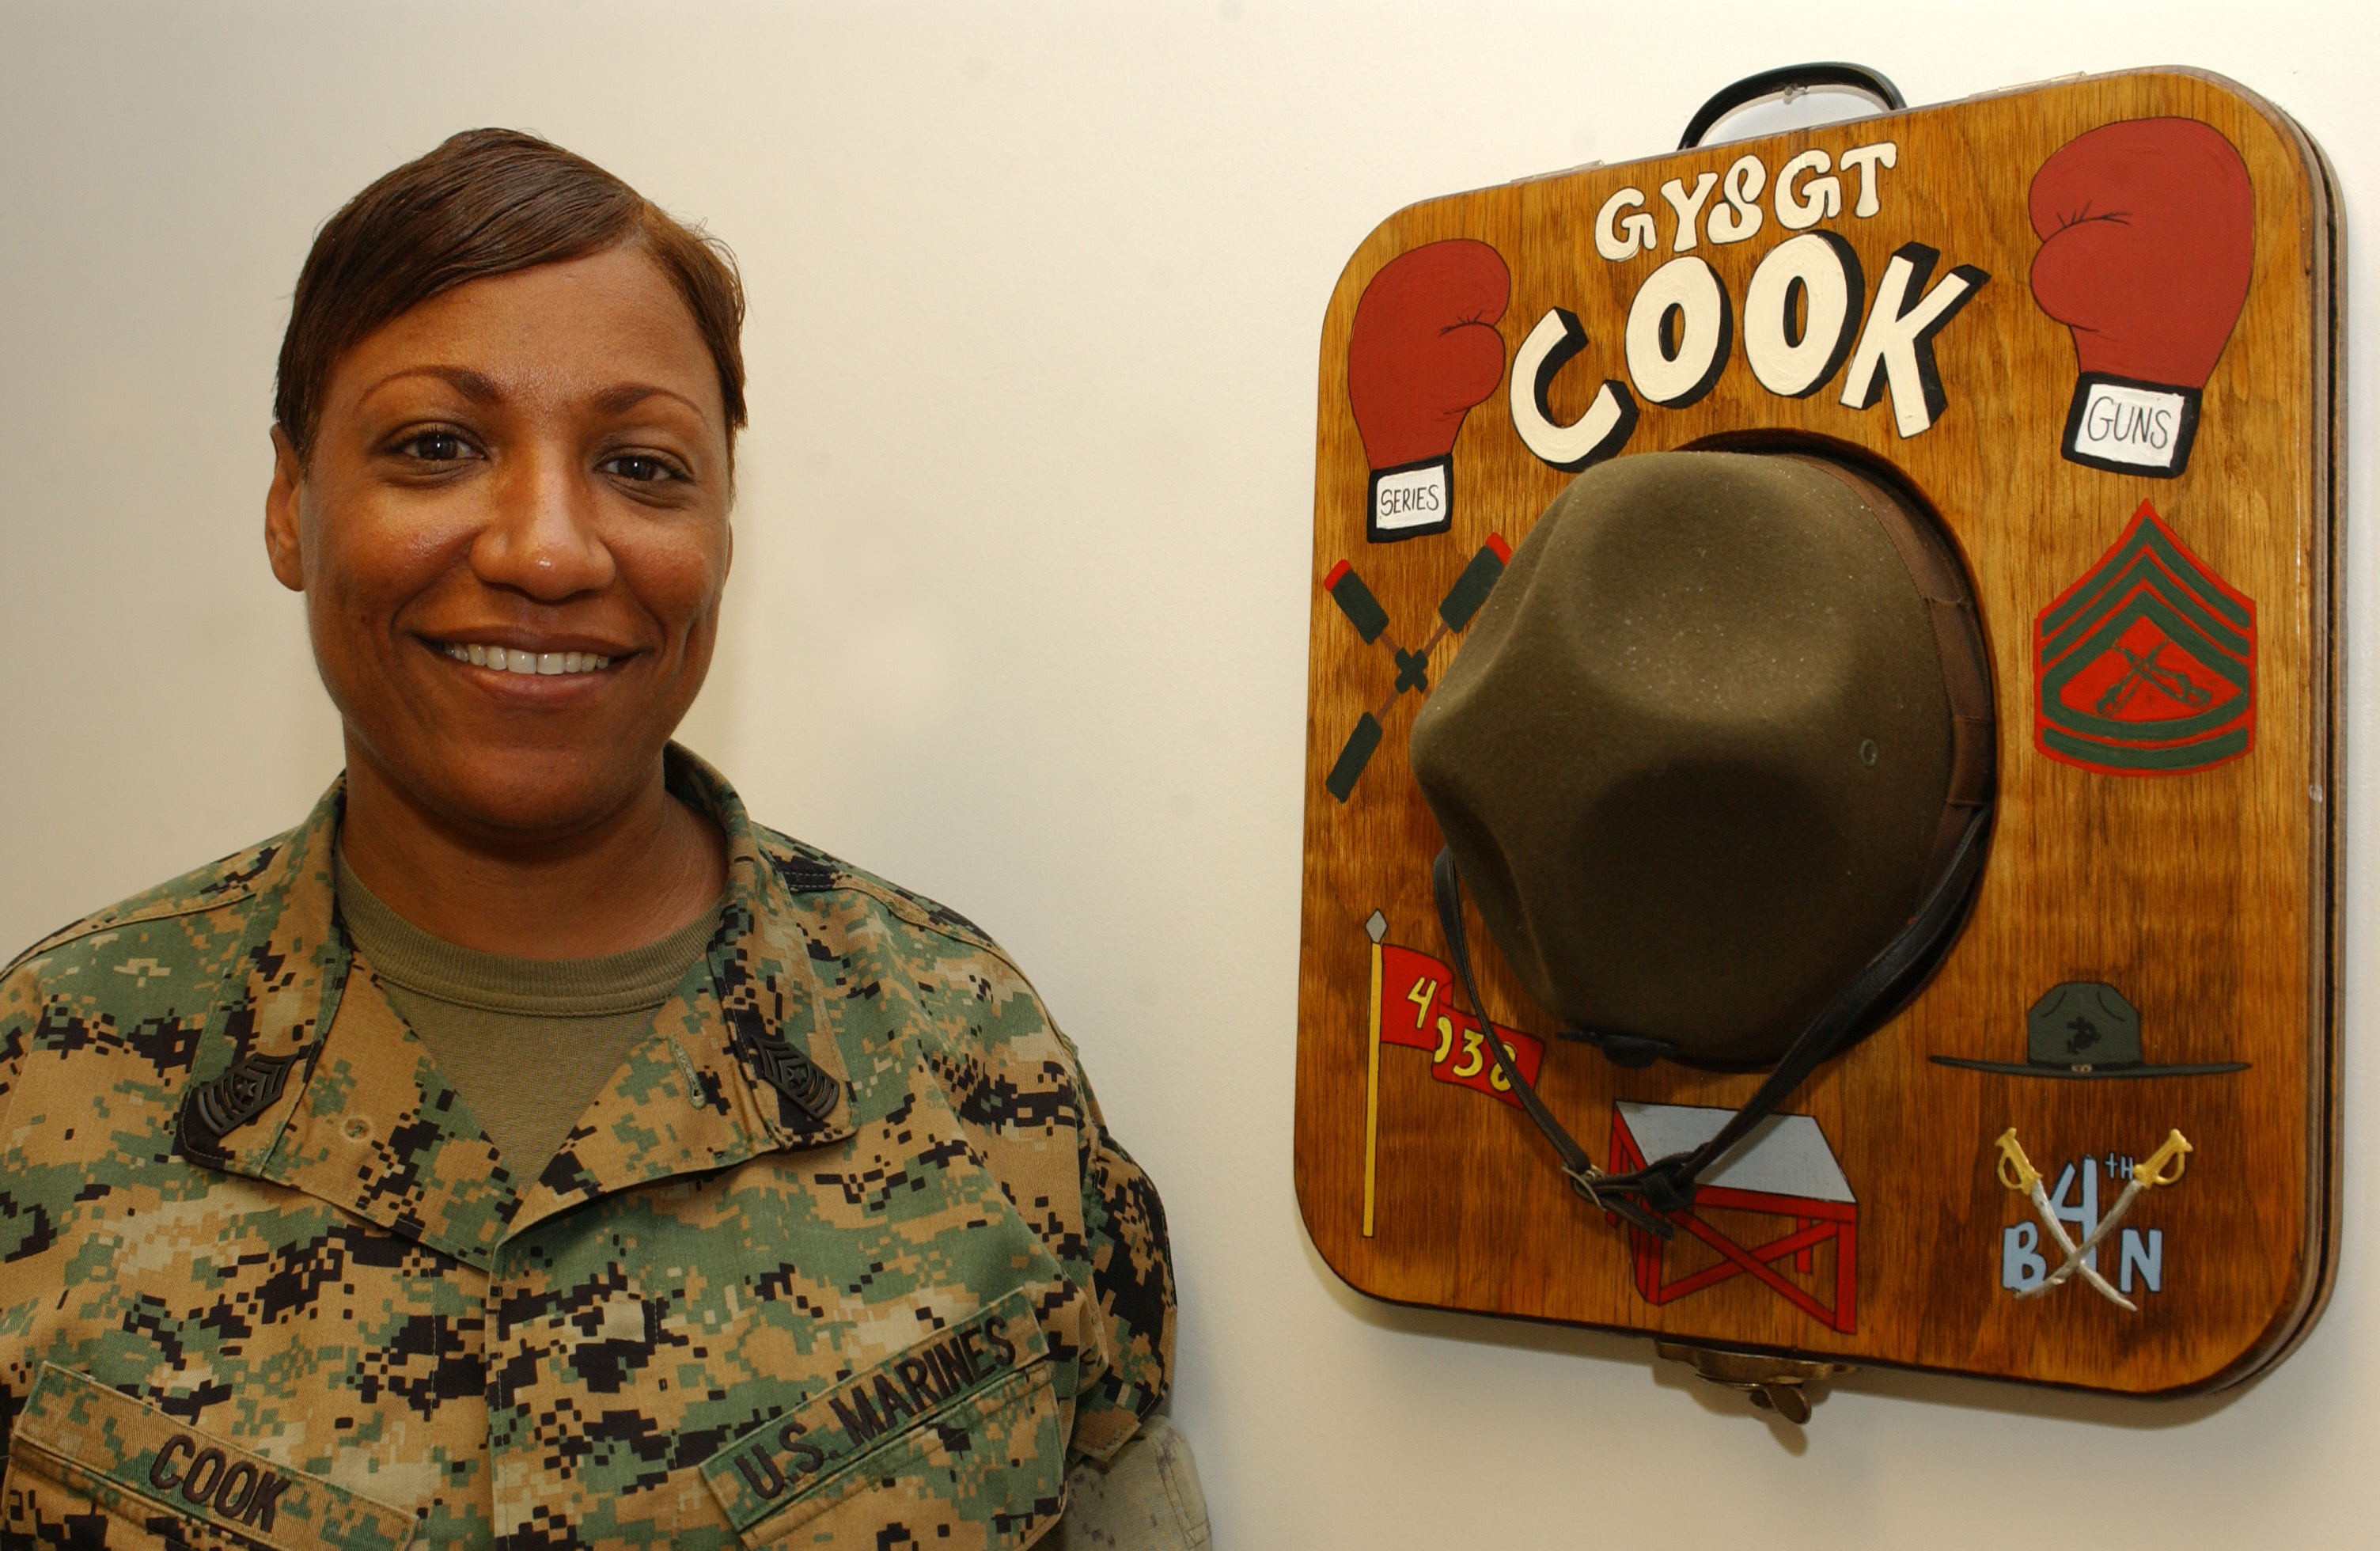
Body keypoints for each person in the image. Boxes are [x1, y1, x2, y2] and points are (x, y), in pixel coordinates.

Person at [0, 129, 1201, 1550]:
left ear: (726, 523)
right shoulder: (44, 1083)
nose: (551, 550)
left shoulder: (973, 1066)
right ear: (288, 501)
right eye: (436, 447)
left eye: (641, 465)